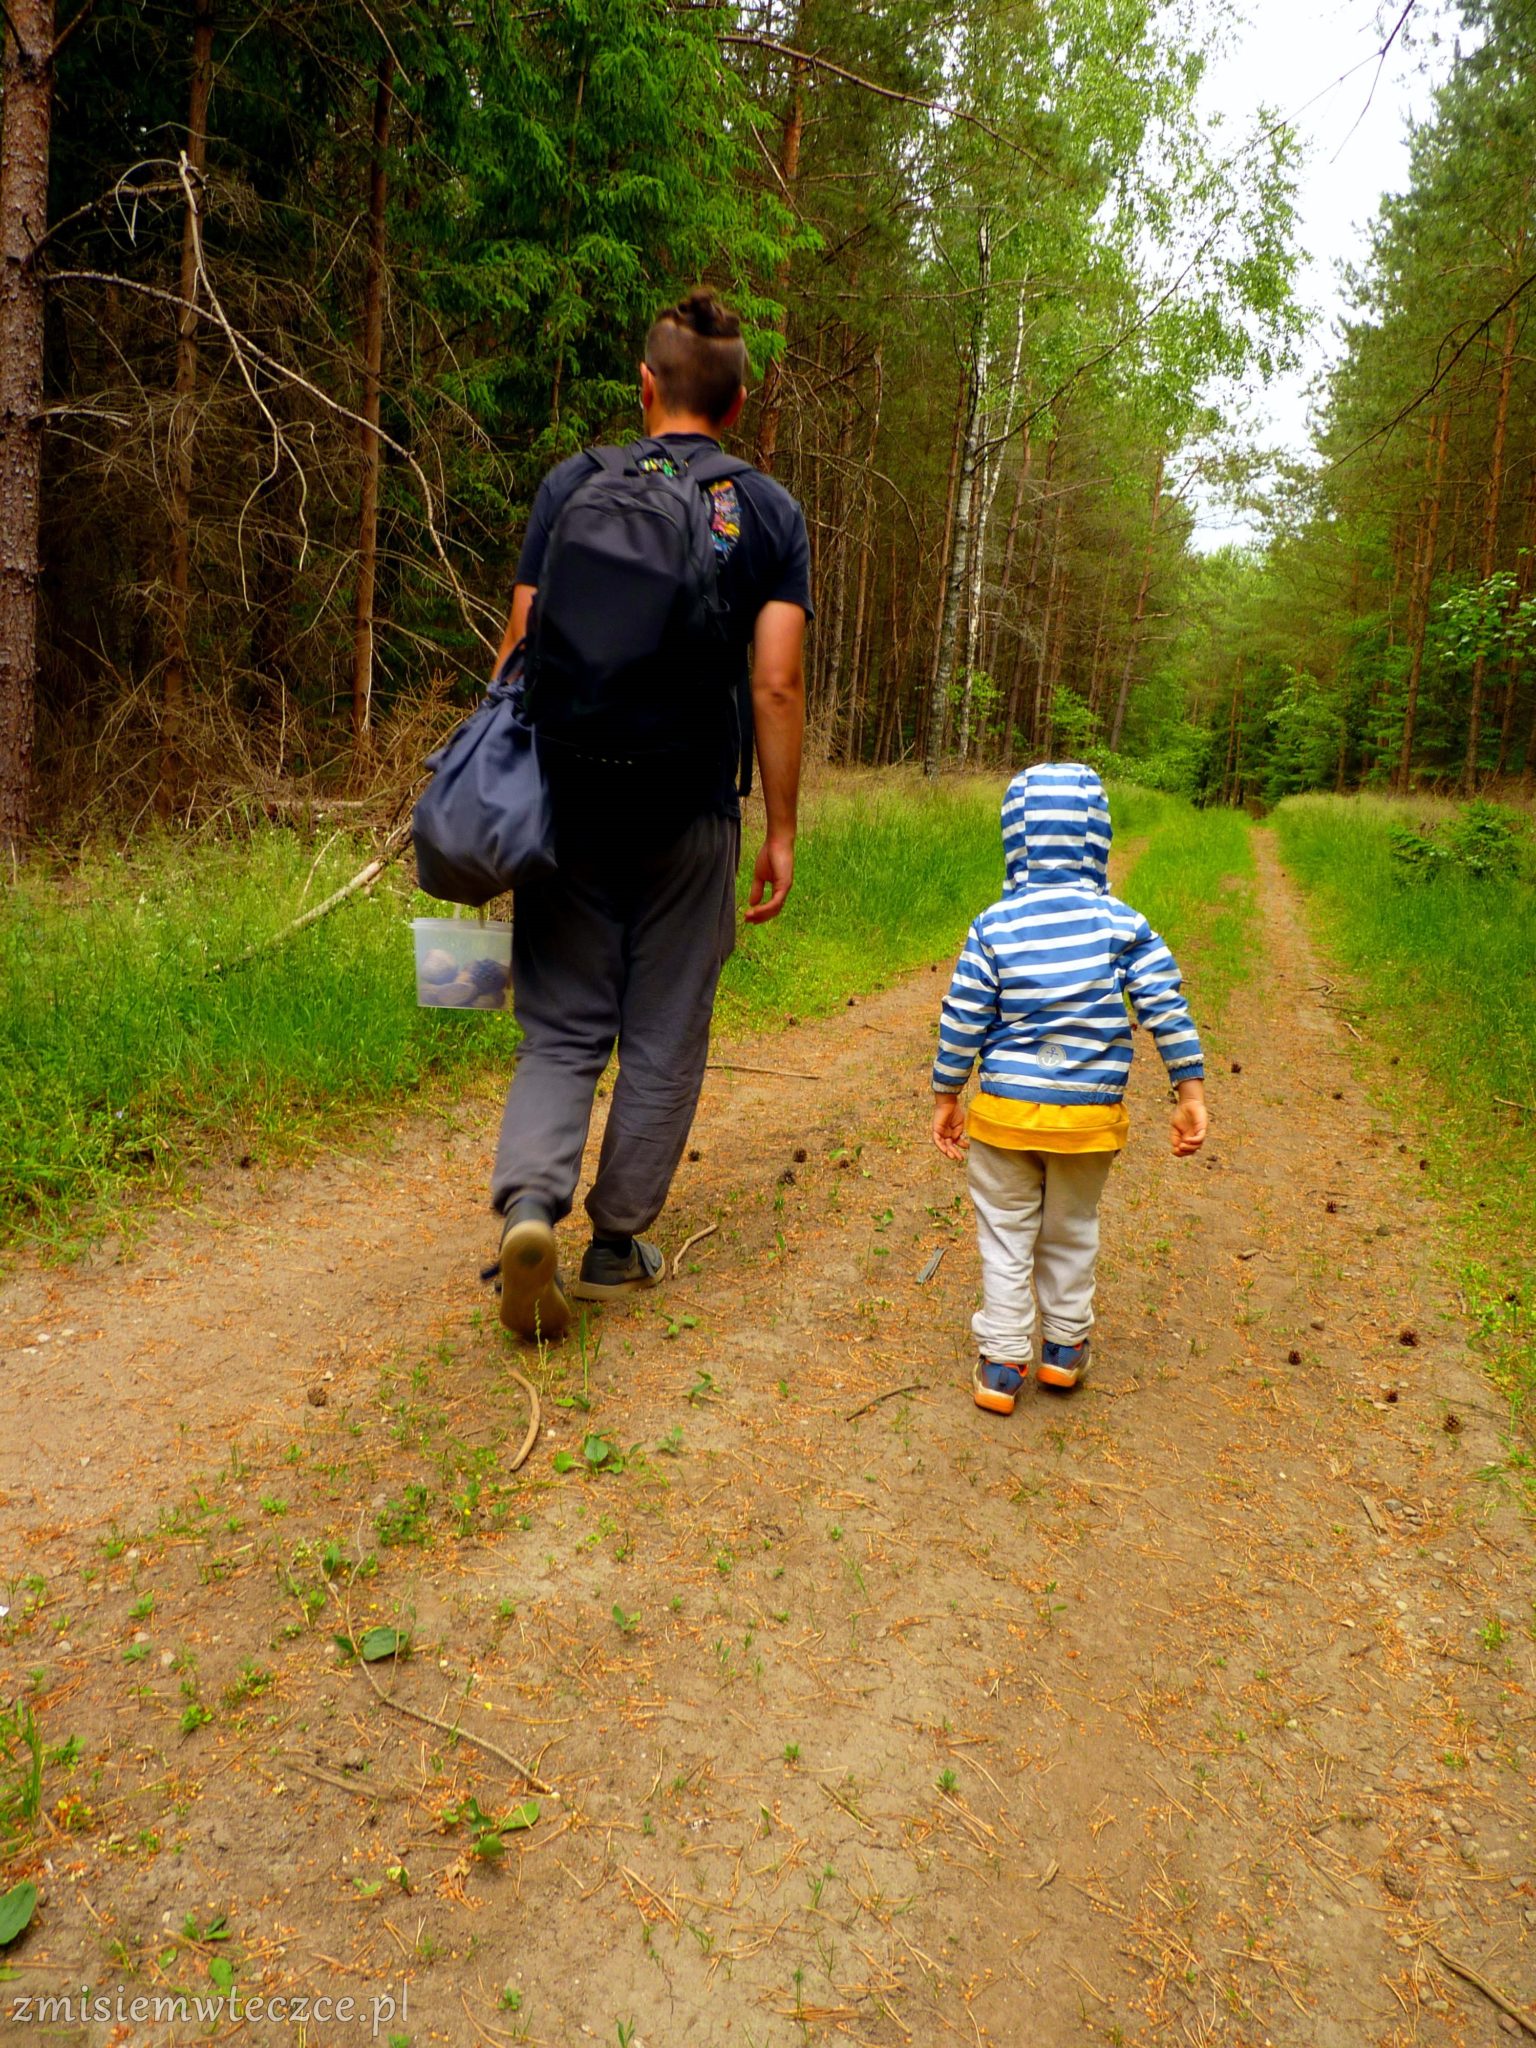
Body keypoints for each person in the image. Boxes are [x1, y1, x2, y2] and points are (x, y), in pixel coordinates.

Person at [488, 288, 810, 1340]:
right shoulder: (765, 512)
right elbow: (775, 683)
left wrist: (496, 793)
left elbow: (519, 650)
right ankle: (615, 1244)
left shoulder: (573, 484)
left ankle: (530, 1207)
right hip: (688, 809)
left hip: (569, 797)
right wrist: (781, 828)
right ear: (742, 401)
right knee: (665, 1030)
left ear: (646, 385)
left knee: (562, 1025)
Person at [930, 761, 1208, 1412]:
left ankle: (1002, 1365)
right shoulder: (1123, 926)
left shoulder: (993, 926)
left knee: (1005, 1237)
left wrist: (947, 1093)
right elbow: (1165, 1005)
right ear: (1098, 840)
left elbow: (962, 1015)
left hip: (1005, 1119)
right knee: (1072, 1230)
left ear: (1016, 842)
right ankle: (1062, 1351)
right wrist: (1188, 1089)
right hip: (1088, 1121)